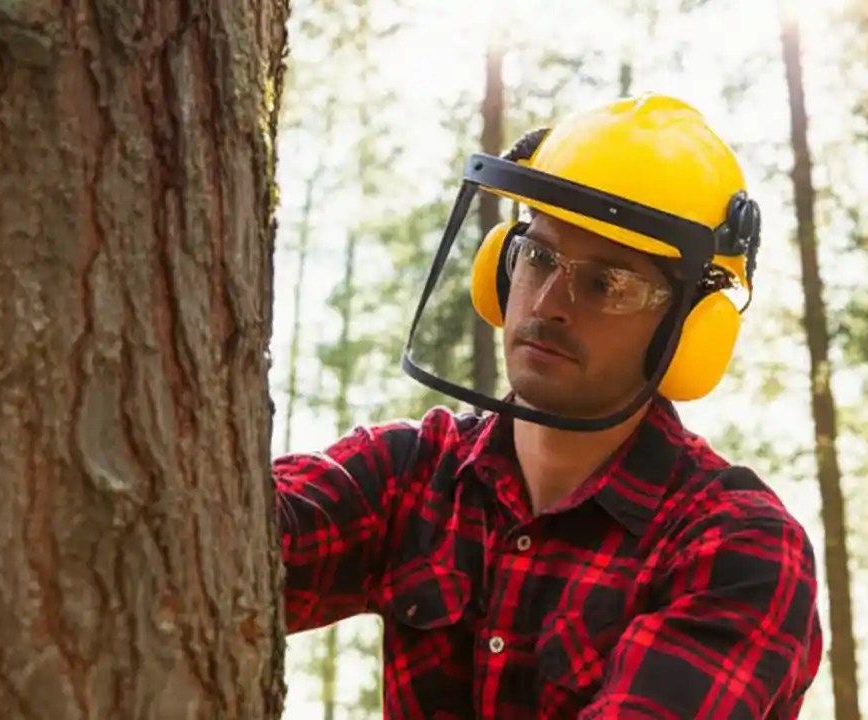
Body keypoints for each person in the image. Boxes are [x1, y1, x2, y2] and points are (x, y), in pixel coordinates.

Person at [273, 93, 823, 719]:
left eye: (607, 283)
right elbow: (207, 546)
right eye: (537, 257)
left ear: (690, 327)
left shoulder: (737, 549)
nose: (548, 303)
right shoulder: (410, 472)